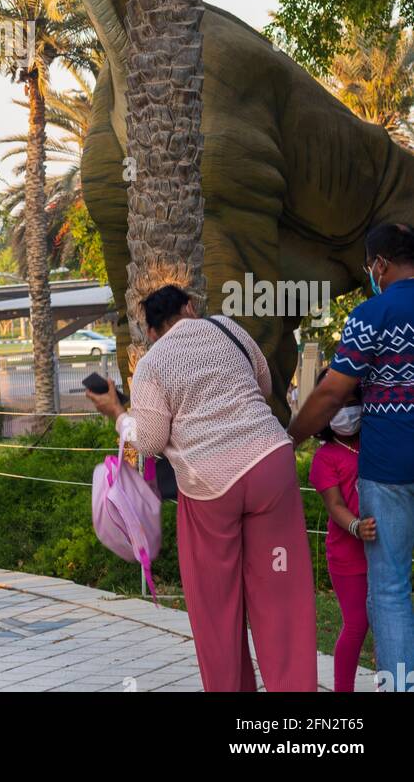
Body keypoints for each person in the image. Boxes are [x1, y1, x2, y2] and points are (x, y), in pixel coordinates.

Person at [86, 284, 318, 692]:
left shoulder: (153, 364)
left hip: (211, 488)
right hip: (270, 466)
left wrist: (119, 413)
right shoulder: (228, 329)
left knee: (216, 605)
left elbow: (153, 441)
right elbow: (262, 386)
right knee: (281, 592)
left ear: (151, 331)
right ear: (190, 307)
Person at [290, 221, 414, 692]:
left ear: (379, 264)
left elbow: (331, 394)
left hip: (387, 471)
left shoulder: (371, 314)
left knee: (390, 589)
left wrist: (293, 436)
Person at [308, 370, 374, 692]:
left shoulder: (374, 442)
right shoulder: (324, 458)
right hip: (347, 556)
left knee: (388, 621)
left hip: (382, 550)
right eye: (337, 406)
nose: (346, 413)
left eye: (352, 403)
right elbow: (334, 505)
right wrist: (356, 527)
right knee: (357, 624)